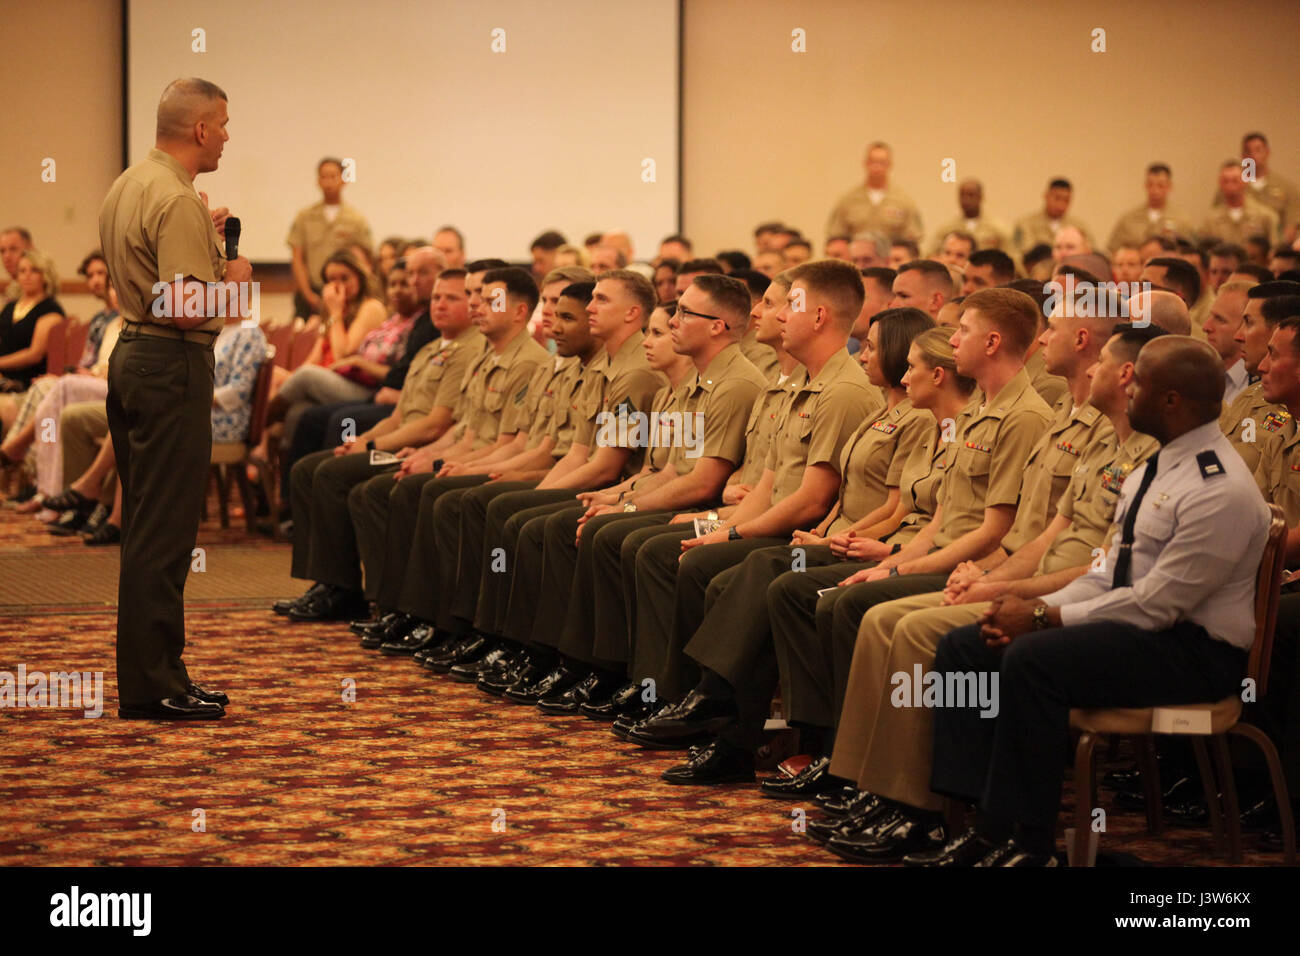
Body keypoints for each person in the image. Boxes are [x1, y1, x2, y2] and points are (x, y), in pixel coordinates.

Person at [913, 336, 1269, 867]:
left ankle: (1030, 847)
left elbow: (1156, 606)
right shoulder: (1158, 465)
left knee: (1032, 661)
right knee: (966, 648)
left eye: (1140, 382)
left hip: (1192, 655)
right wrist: (1017, 601)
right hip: (1139, 634)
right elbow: (1110, 573)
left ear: (1171, 400)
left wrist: (1039, 617)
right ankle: (978, 827)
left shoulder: (1218, 487)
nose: (1128, 389)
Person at [816, 324, 1164, 861]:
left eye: (965, 330)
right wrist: (989, 579)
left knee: (906, 627)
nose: (954, 342)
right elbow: (1042, 535)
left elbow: (1102, 565)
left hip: (1078, 602)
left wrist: (996, 584)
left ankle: (925, 811)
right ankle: (878, 790)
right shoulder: (1091, 436)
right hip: (1025, 578)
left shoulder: (1132, 450)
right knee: (882, 620)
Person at [99, 76, 252, 719]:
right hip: (171, 365)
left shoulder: (130, 184)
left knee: (146, 526)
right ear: (199, 129)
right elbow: (186, 306)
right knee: (164, 533)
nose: (226, 134)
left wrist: (207, 245)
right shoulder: (178, 199)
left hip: (134, 356)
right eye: (222, 123)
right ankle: (155, 682)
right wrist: (237, 282)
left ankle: (152, 674)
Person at [0, 248, 65, 425]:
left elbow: (34, 354)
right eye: (22, 271)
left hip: (28, 381)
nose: (27, 275)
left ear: (45, 275)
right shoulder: (10, 306)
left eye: (34, 270)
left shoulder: (50, 309)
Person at [825, 142, 922, 243]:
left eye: (882, 162)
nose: (877, 167)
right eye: (873, 162)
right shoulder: (847, 200)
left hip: (890, 257)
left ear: (889, 165)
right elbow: (836, 236)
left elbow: (912, 238)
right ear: (865, 163)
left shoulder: (904, 201)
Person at [1107, 163, 1191, 251]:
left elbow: (1188, 252)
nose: (1155, 190)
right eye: (1151, 185)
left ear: (1169, 187)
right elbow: (1111, 250)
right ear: (1145, 185)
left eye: (1160, 185)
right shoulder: (1128, 220)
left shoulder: (1181, 220)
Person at [1202, 160, 1280, 247]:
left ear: (1245, 180)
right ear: (1220, 183)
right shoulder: (1210, 221)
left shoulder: (1265, 217)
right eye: (1226, 181)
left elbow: (1273, 250)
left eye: (1235, 180)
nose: (1230, 185)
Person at [1201, 279, 1255, 404]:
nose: (1206, 327)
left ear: (1246, 327)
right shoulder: (1199, 374)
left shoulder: (1262, 386)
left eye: (1220, 319)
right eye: (1211, 316)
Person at [1012, 178, 1092, 257]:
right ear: (1046, 196)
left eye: (1066, 200)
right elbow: (1018, 253)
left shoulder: (1079, 227)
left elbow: (1090, 253)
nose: (1061, 205)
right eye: (1057, 198)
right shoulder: (1025, 224)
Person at [928, 179, 1008, 252]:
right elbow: (932, 255)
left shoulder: (997, 229)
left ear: (981, 197)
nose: (966, 200)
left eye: (971, 195)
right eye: (962, 195)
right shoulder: (947, 230)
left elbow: (1011, 259)